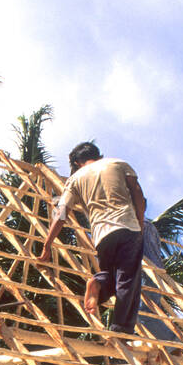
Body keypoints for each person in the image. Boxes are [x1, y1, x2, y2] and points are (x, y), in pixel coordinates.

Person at [41, 141, 147, 336]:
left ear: (77, 162)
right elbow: (138, 194)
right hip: (127, 226)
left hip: (101, 235)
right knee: (128, 280)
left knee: (110, 274)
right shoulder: (118, 164)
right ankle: (122, 330)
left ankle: (98, 282)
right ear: (97, 155)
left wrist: (47, 245)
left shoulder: (74, 180)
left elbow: (61, 213)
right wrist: (140, 224)